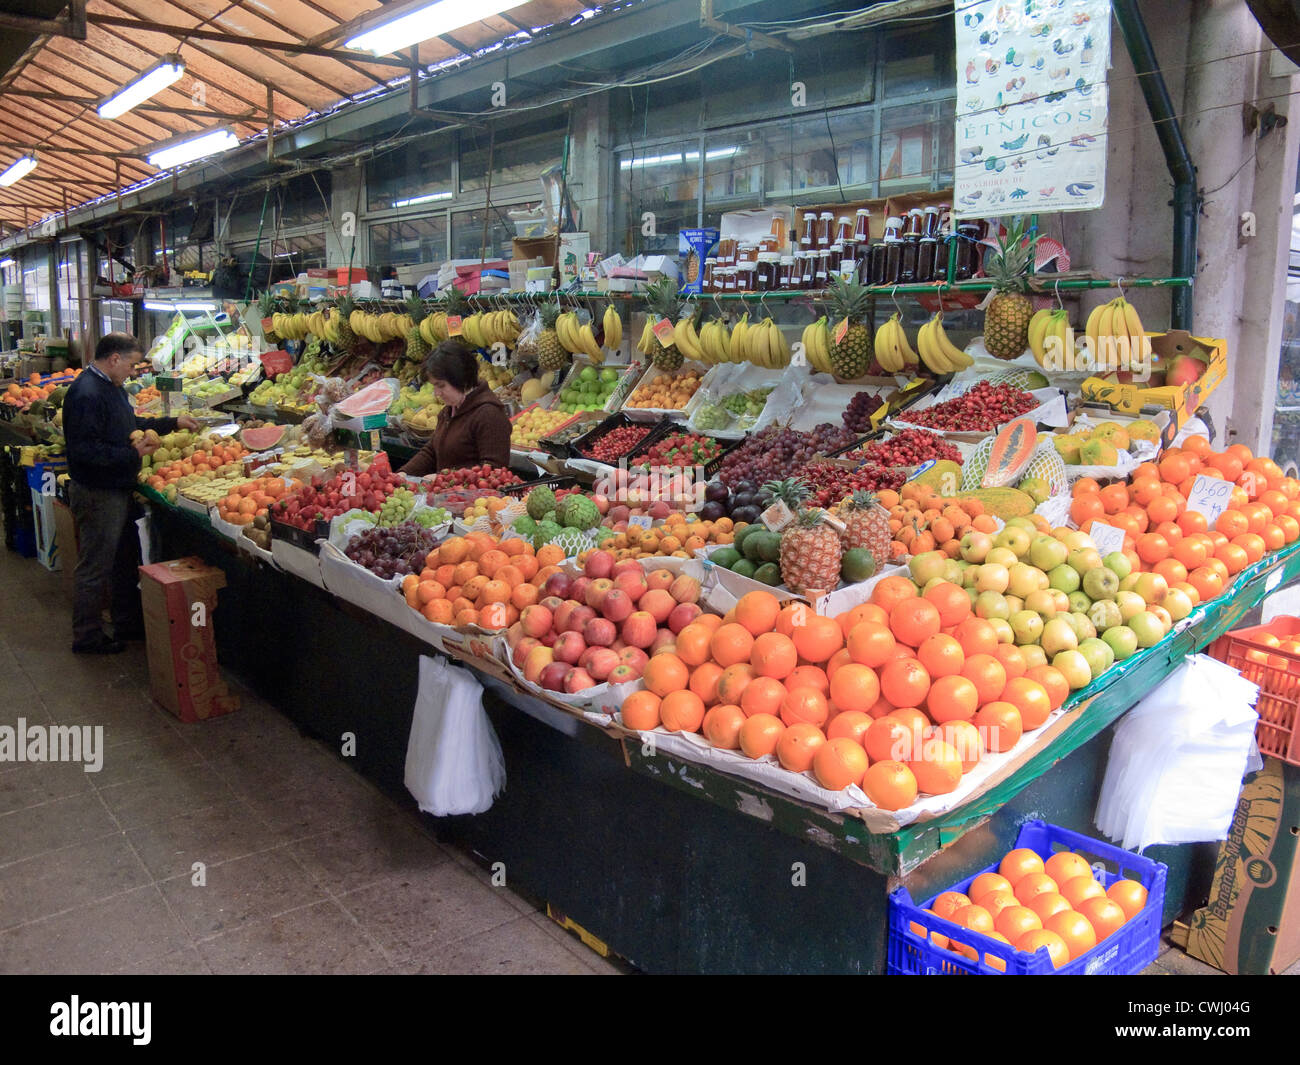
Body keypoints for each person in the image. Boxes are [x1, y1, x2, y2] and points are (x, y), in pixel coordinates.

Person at [63, 333, 201, 654]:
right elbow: (84, 452)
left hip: (116, 489)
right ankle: (87, 637)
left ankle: (126, 623)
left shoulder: (110, 387)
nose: (133, 371)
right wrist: (133, 454)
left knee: (122, 560)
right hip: (99, 493)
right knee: (95, 566)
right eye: (131, 364)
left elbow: (129, 422)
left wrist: (172, 422)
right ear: (113, 359)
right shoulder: (87, 393)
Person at [400, 339, 512, 477]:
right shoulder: (449, 411)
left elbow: (494, 471)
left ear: (460, 378)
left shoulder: (489, 415)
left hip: (477, 497)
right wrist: (403, 474)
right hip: (448, 495)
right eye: (434, 386)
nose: (436, 393)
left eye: (441, 385)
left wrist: (444, 479)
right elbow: (432, 451)